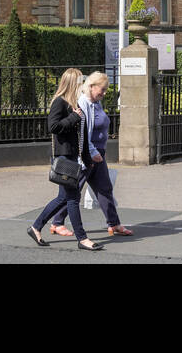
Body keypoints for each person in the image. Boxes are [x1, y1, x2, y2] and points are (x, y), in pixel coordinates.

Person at [47, 71, 133, 238]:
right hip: (86, 153)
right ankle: (57, 222)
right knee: (73, 190)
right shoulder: (82, 102)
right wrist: (91, 152)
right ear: (92, 86)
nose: (104, 93)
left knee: (104, 188)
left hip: (98, 153)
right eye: (102, 89)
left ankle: (114, 223)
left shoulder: (97, 102)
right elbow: (83, 131)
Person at [26, 68, 102, 251]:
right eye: (79, 82)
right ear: (71, 83)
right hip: (63, 157)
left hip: (73, 157)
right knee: (73, 198)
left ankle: (36, 227)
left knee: (63, 198)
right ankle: (82, 238)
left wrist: (86, 157)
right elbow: (53, 126)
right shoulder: (60, 102)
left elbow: (81, 135)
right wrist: (73, 117)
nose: (82, 85)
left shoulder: (75, 103)